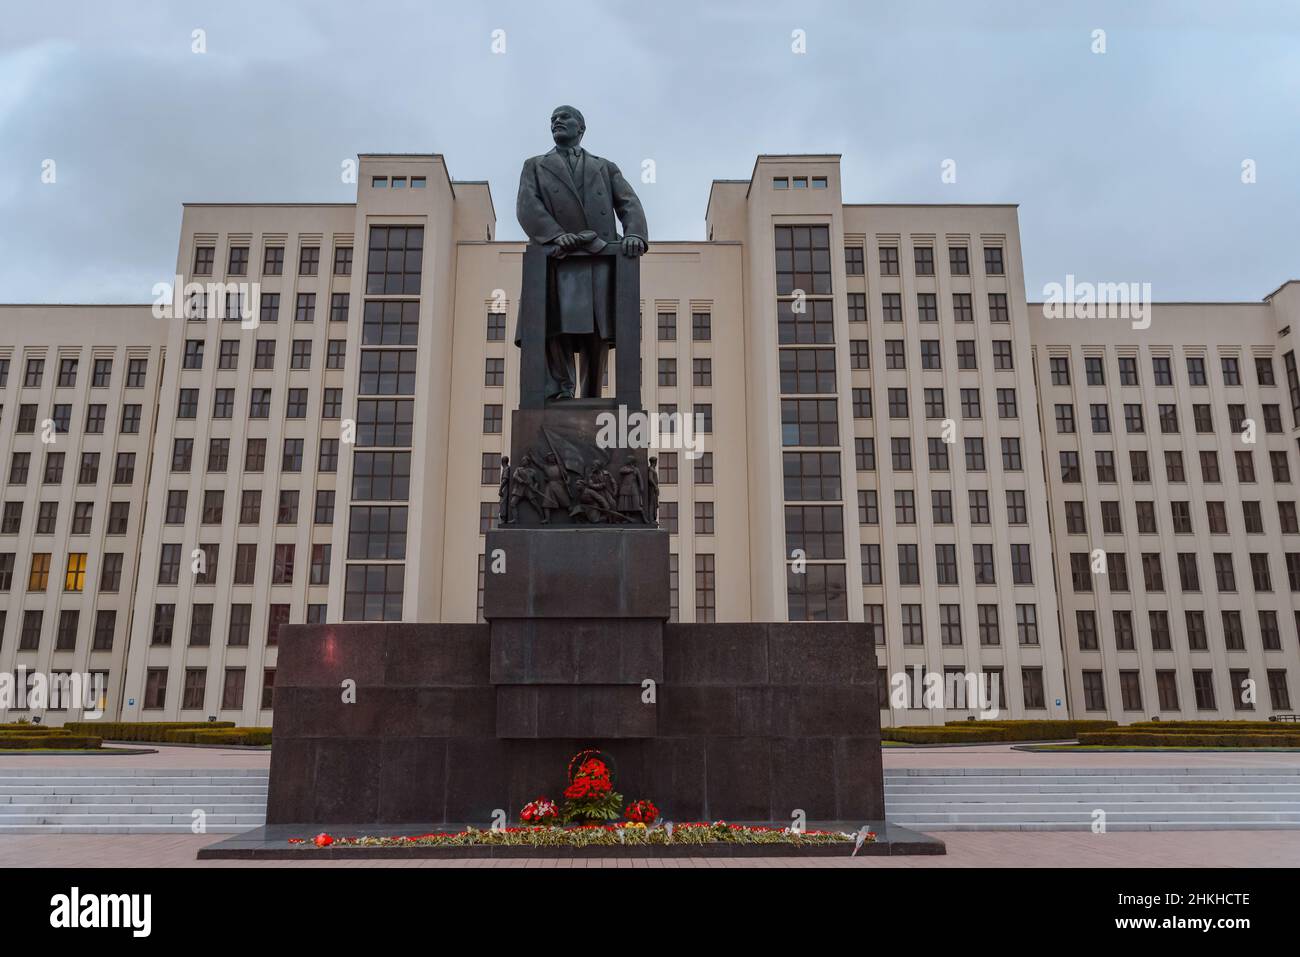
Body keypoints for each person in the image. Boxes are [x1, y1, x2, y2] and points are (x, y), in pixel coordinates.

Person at [515, 105, 648, 400]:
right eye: (552, 119)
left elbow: (628, 202)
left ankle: (591, 395)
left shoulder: (604, 166)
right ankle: (561, 391)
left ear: (581, 128)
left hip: (598, 257)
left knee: (597, 330)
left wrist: (635, 233)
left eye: (564, 117)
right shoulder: (535, 165)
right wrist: (557, 235)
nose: (556, 122)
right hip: (557, 260)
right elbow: (528, 206)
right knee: (556, 327)